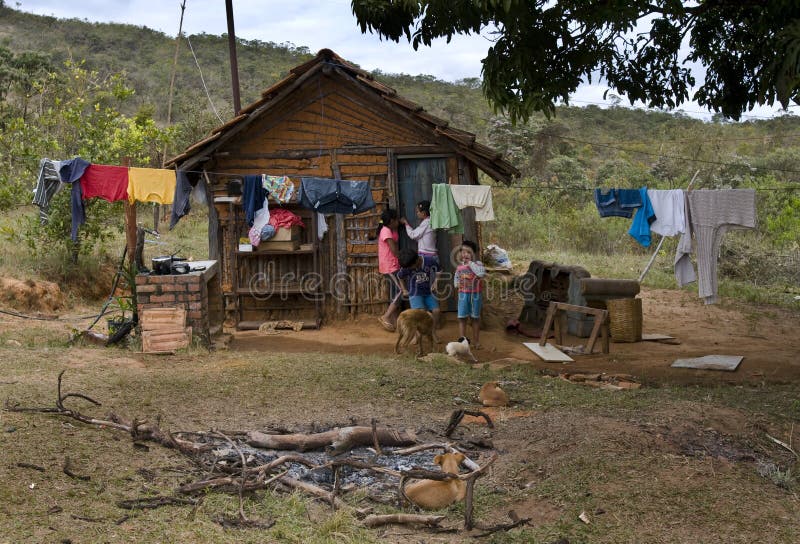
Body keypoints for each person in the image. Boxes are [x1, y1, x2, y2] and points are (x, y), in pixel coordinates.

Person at [397, 247, 441, 330]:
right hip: (415, 293)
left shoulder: (429, 260)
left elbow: (439, 271)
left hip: (429, 292)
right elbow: (400, 277)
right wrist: (404, 289)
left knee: (436, 311)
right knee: (419, 313)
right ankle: (417, 335)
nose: (410, 268)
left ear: (417, 260)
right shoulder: (407, 266)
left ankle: (432, 330)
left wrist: (436, 282)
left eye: (411, 267)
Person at [454, 240, 486, 348]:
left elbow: (481, 273)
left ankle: (476, 342)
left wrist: (470, 263)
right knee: (462, 318)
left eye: (468, 252)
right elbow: (457, 276)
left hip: (475, 295)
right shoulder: (459, 267)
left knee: (475, 318)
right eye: (463, 252)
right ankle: (462, 342)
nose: (465, 254)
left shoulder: (478, 264)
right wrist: (456, 283)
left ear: (474, 253)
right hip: (463, 295)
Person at [375, 208, 402, 331]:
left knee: (394, 293)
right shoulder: (385, 231)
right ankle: (385, 316)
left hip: (392, 265)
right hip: (389, 266)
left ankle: (395, 323)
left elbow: (395, 238)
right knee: (401, 291)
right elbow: (393, 250)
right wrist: (404, 259)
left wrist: (397, 225)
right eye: (396, 219)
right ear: (391, 221)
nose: (398, 221)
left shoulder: (390, 229)